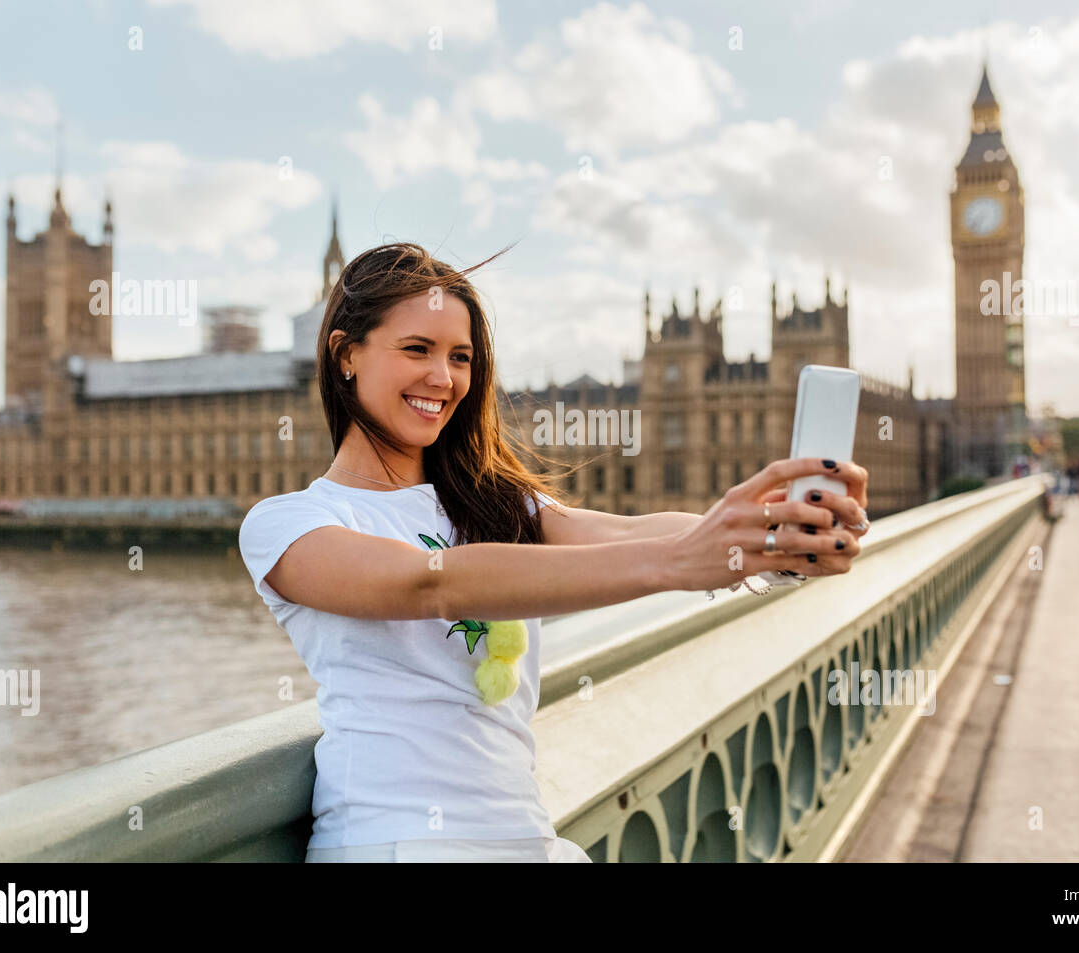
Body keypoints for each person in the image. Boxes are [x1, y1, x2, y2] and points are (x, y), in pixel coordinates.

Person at [237, 242, 871, 863]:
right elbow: (431, 585)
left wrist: (771, 536)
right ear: (346, 354)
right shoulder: (289, 524)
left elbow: (625, 533)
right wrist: (680, 563)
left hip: (526, 838)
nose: (444, 378)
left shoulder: (494, 507)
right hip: (394, 842)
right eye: (416, 350)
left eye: (461, 357)